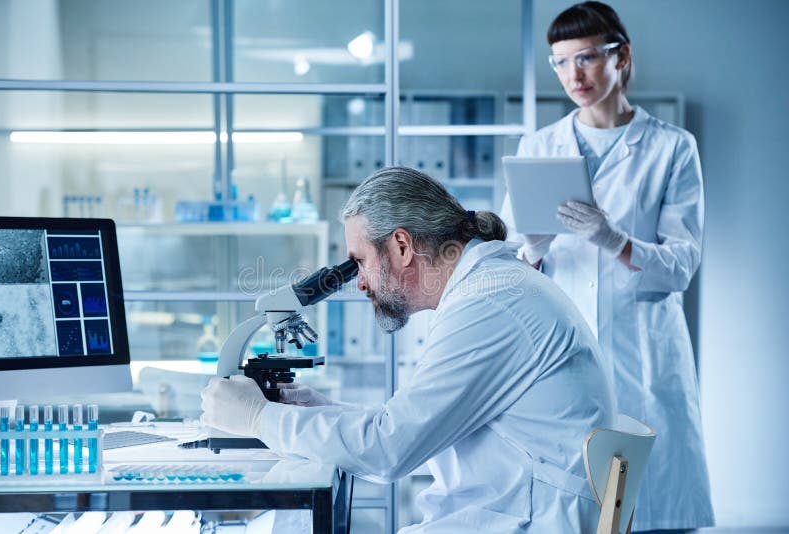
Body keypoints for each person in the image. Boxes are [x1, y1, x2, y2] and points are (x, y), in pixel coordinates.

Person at [202, 166, 615, 532]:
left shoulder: (491, 303)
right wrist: (322, 412)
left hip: (525, 520)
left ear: (401, 245)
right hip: (514, 510)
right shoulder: (489, 287)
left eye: (359, 262)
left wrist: (259, 417)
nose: (360, 283)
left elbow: (388, 451)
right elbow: (410, 426)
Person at [499, 2, 713, 532]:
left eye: (588, 58)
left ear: (622, 57)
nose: (574, 75)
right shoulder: (539, 147)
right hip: (564, 356)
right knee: (574, 514)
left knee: (654, 512)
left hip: (645, 357)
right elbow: (505, 270)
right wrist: (530, 247)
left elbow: (682, 265)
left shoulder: (672, 149)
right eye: (561, 62)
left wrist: (616, 241)